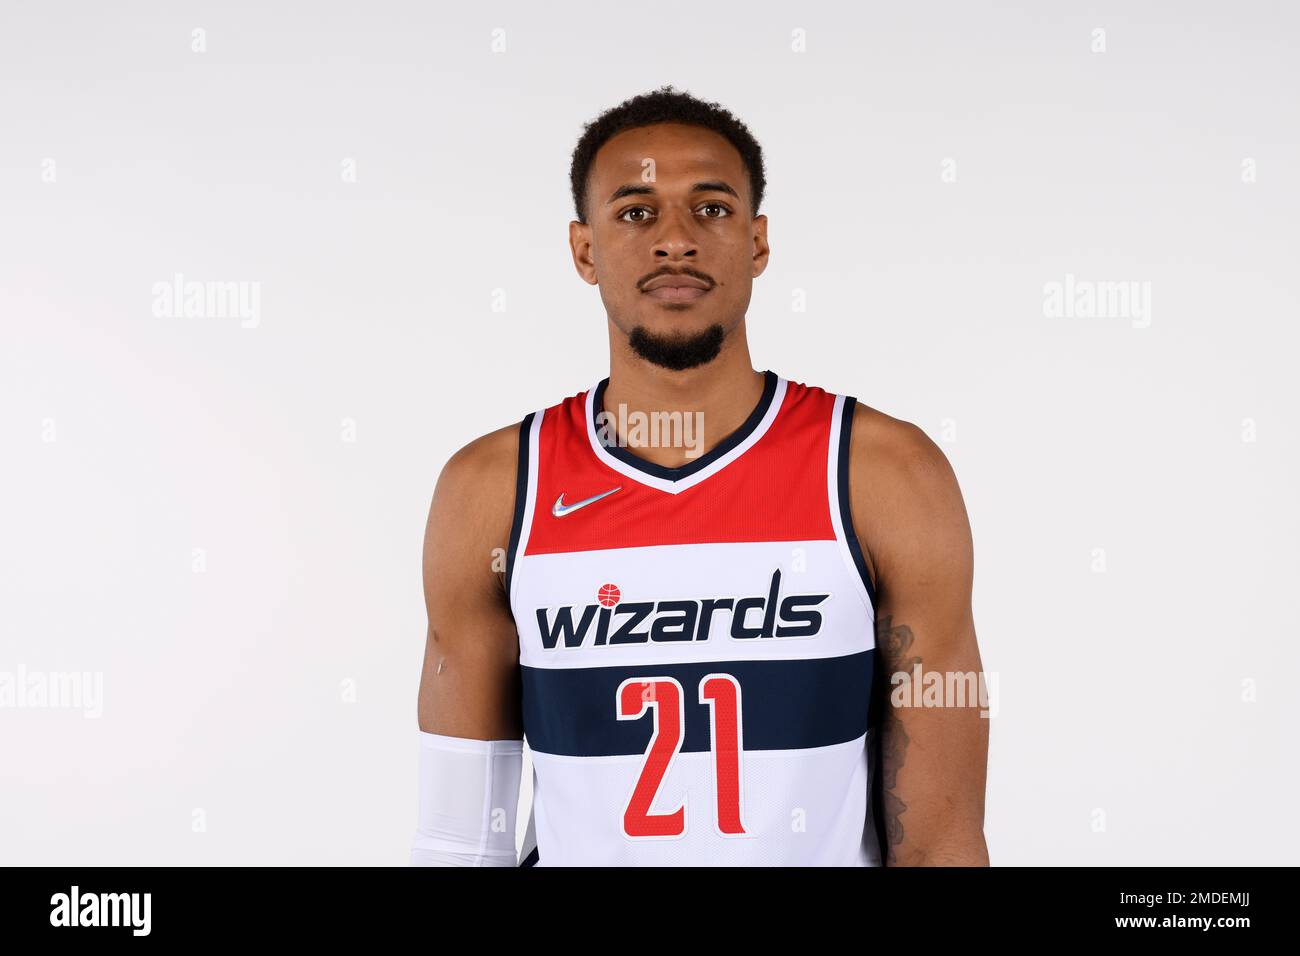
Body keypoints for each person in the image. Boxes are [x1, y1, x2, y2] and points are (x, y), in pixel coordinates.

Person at [411, 86, 989, 866]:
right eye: (637, 212)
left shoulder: (882, 474)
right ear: (584, 250)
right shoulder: (493, 489)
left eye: (711, 210)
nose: (675, 240)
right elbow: (457, 843)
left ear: (756, 243)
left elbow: (941, 844)